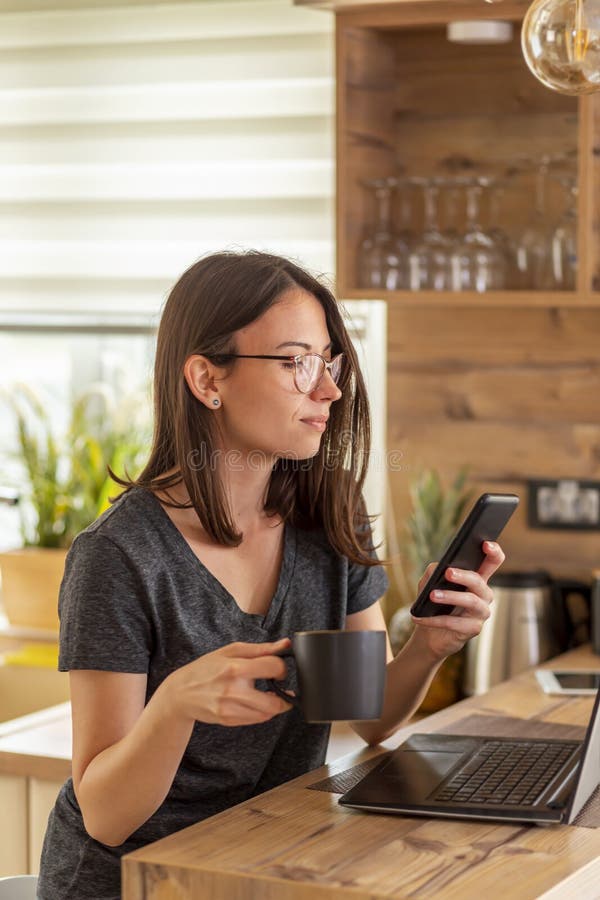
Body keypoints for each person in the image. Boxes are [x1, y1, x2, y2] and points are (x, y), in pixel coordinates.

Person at [38, 251, 505, 900]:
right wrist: (172, 706)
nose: (329, 390)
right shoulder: (118, 557)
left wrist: (430, 643)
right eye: (296, 362)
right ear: (207, 379)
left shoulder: (327, 515)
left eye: (330, 362)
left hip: (263, 866)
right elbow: (106, 815)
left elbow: (369, 716)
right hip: (133, 885)